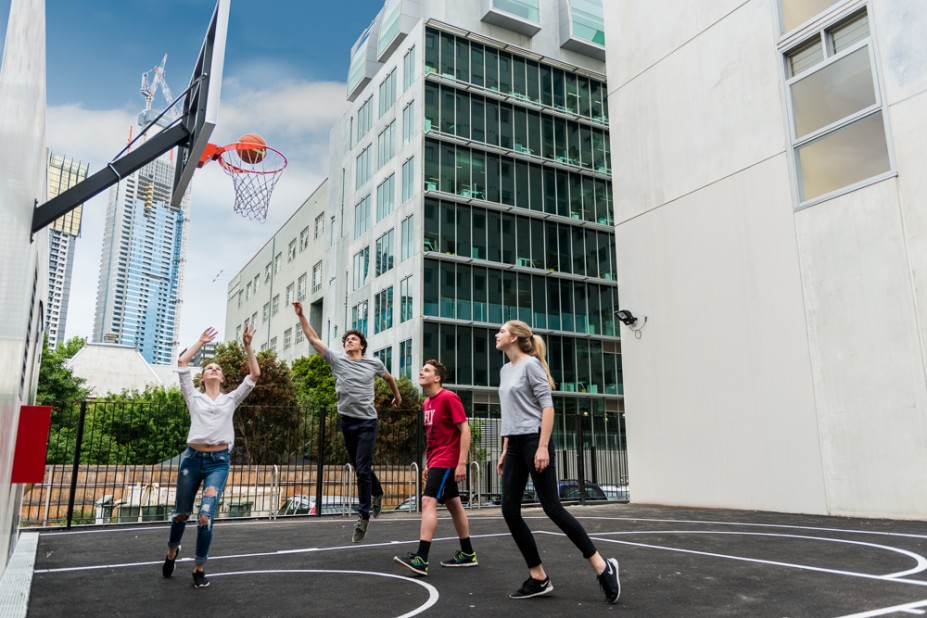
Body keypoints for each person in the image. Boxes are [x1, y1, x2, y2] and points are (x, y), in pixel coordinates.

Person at [495, 320, 621, 603]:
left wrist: (542, 447)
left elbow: (547, 407)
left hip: (534, 440)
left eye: (501, 331)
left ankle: (603, 567)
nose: (497, 334)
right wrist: (505, 448)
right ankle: (538, 576)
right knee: (509, 511)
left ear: (514, 337)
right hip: (514, 443)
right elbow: (510, 413)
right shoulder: (505, 370)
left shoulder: (531, 365)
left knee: (552, 507)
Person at [292, 300, 401, 542]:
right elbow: (313, 339)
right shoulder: (336, 360)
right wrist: (301, 316)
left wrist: (397, 395)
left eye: (353, 339)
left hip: (367, 423)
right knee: (359, 467)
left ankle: (363, 516)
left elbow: (389, 378)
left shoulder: (374, 363)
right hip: (346, 422)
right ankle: (377, 491)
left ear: (362, 345)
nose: (348, 341)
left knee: (362, 469)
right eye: (346, 340)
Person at [162, 325, 260, 589]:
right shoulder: (193, 397)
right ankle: (172, 551)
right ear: (202, 378)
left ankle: (198, 567)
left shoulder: (231, 399)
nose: (213, 369)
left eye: (218, 368)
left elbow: (254, 374)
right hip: (192, 460)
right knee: (181, 513)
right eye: (209, 368)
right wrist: (201, 340)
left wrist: (247, 345)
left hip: (218, 462)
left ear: (223, 378)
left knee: (205, 515)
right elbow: (182, 362)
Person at [394, 360, 478, 576]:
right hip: (437, 460)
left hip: (448, 460)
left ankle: (421, 558)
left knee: (428, 500)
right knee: (454, 505)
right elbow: (433, 438)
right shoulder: (426, 403)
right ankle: (468, 553)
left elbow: (465, 430)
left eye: (427, 370)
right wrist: (428, 463)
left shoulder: (449, 398)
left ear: (437, 378)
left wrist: (461, 463)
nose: (421, 372)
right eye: (422, 369)